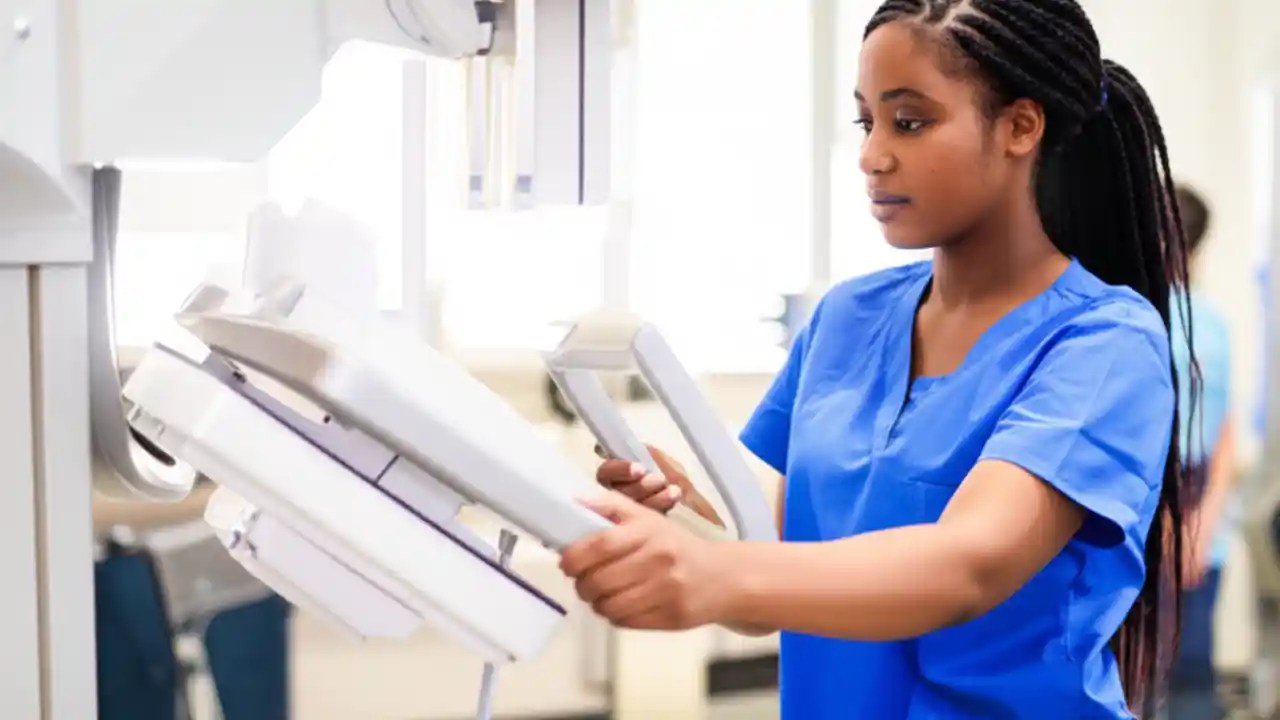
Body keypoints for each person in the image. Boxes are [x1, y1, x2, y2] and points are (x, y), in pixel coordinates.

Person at [558, 1, 1200, 718]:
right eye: (868, 122)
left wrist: (717, 573)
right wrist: (687, 529)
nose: (872, 155)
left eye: (911, 122)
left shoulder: (1104, 343)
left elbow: (968, 566)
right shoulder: (845, 319)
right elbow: (777, 584)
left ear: (1021, 126)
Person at [1166, 185, 1236, 720]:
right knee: (1190, 680)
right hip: (1191, 521)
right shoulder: (1211, 322)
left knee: (1157, 680)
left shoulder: (1140, 317)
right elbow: (1227, 437)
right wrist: (1203, 524)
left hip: (1175, 515)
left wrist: (1190, 526)